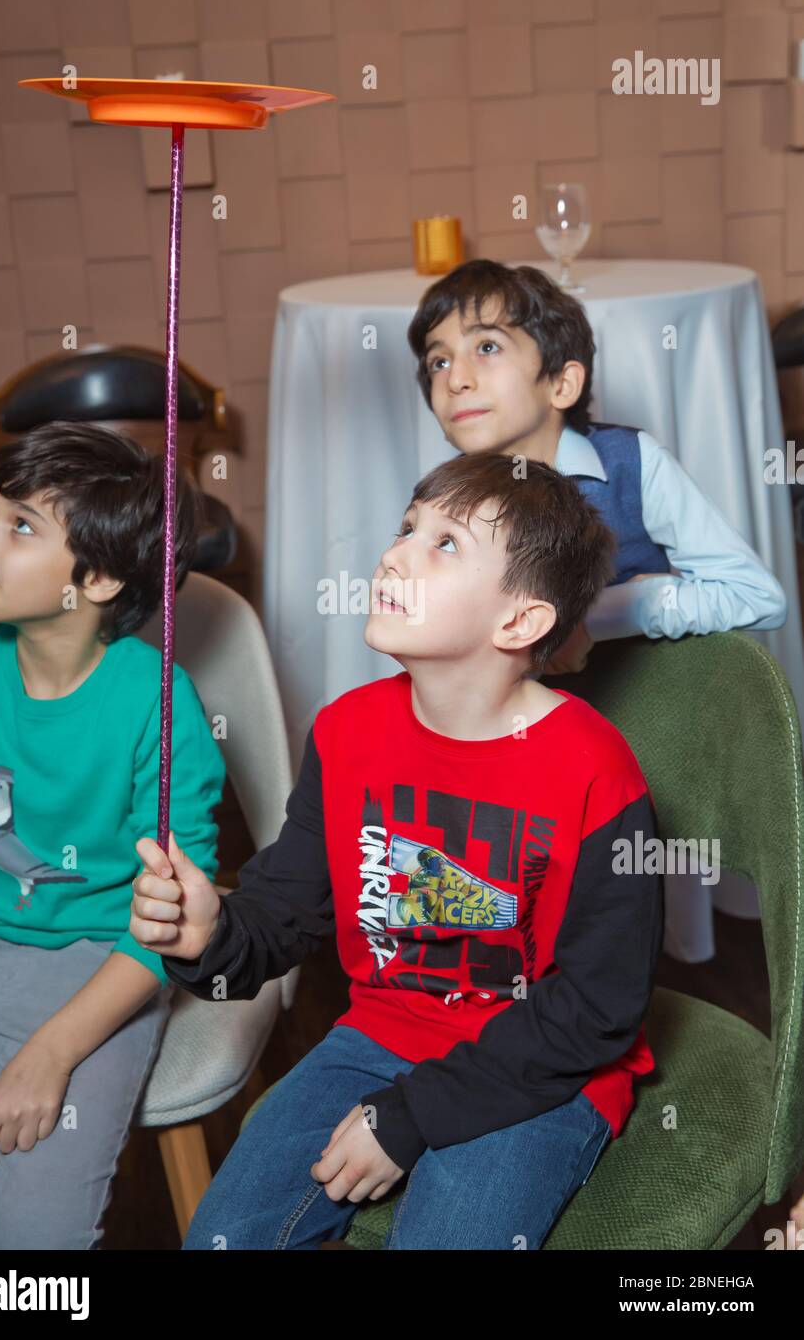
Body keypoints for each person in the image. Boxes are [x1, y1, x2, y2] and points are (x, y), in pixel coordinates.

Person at [131, 452, 665, 1250]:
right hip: (378, 1036)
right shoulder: (346, 731)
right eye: (406, 527)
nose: (394, 553)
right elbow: (286, 909)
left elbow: (597, 1012)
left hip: (542, 1069)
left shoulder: (597, 770)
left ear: (519, 621)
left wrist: (411, 1116)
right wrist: (211, 938)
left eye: (444, 544)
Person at [0, 421, 225, 1250]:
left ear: (95, 578)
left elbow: (166, 931)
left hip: (101, 969)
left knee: (33, 1242)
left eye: (20, 525)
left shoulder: (159, 707)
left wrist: (50, 1051)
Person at [404, 258, 787, 675]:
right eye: (438, 362)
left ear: (561, 383)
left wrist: (621, 609)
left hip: (638, 714)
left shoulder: (633, 463)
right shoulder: (441, 502)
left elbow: (756, 596)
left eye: (487, 347)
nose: (455, 379)